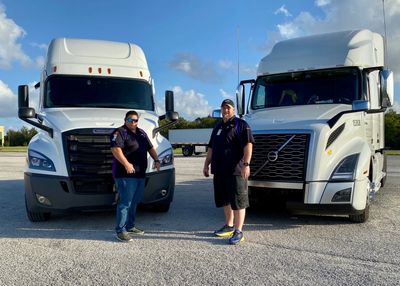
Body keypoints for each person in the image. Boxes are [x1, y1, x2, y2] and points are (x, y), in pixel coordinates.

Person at [203, 99, 254, 245]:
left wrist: (246, 164)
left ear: (233, 110)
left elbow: (248, 145)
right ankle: (229, 226)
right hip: (219, 170)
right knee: (224, 200)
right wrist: (206, 164)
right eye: (223, 108)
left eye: (228, 108)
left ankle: (239, 231)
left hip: (236, 171)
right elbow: (211, 147)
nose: (225, 110)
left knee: (238, 201)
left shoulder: (241, 125)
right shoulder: (218, 126)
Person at [110, 110, 160, 242]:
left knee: (134, 201)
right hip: (125, 174)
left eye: (135, 120)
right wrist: (126, 164)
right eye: (130, 120)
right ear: (125, 120)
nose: (133, 122)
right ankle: (120, 230)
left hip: (140, 174)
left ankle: (130, 226)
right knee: (125, 203)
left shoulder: (141, 133)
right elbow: (115, 149)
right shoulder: (120, 132)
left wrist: (157, 160)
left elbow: (150, 147)